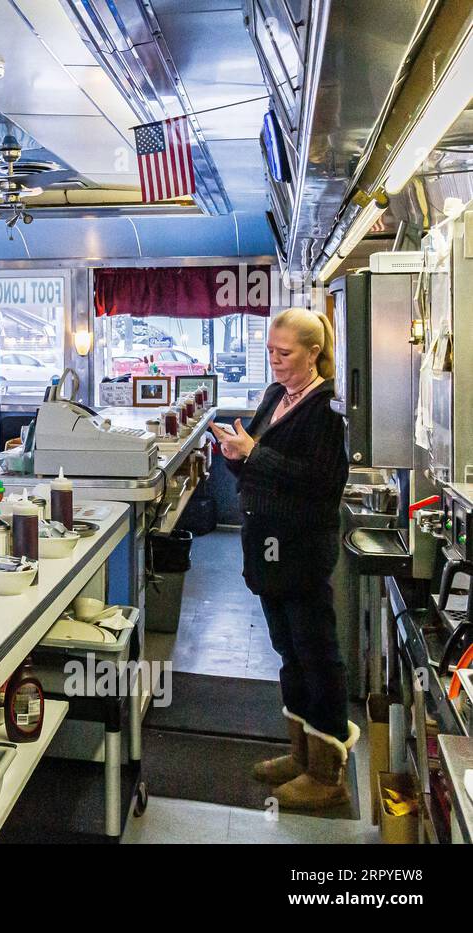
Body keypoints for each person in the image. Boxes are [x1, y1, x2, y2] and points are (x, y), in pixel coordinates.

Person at [214, 307, 354, 811]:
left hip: (301, 547)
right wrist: (238, 456)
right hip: (267, 546)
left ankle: (327, 773)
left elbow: (321, 482)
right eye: (270, 352)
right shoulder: (276, 395)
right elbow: (258, 464)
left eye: (284, 353)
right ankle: (300, 753)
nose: (274, 361)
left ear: (314, 352)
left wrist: (253, 454)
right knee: (288, 651)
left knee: (317, 655)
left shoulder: (327, 408)